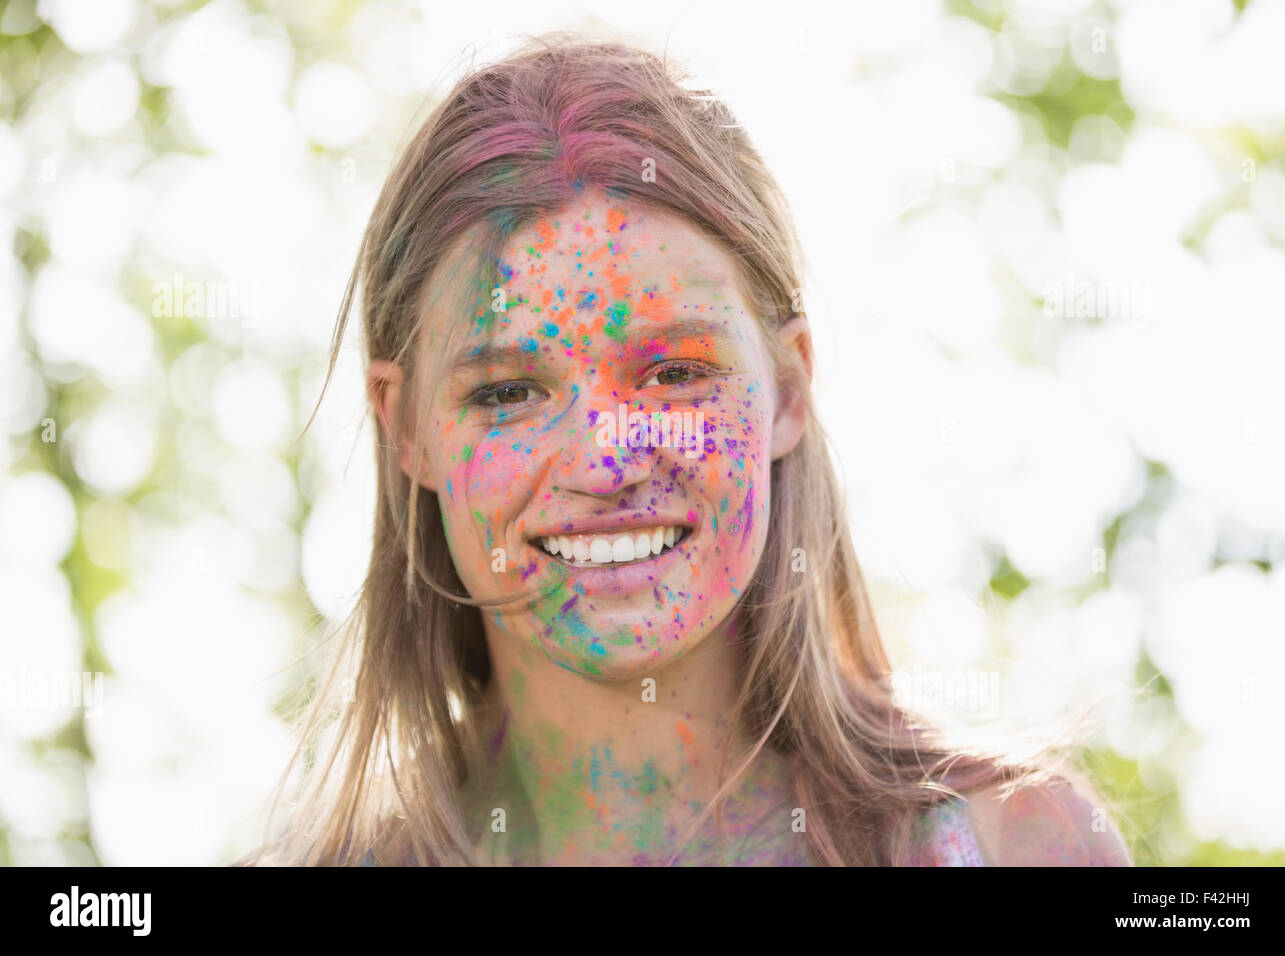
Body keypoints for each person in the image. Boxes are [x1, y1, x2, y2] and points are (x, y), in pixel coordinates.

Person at [240, 32, 1133, 867]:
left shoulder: (1015, 844)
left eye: (673, 371)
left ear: (787, 386)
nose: (606, 461)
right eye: (509, 392)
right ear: (406, 429)